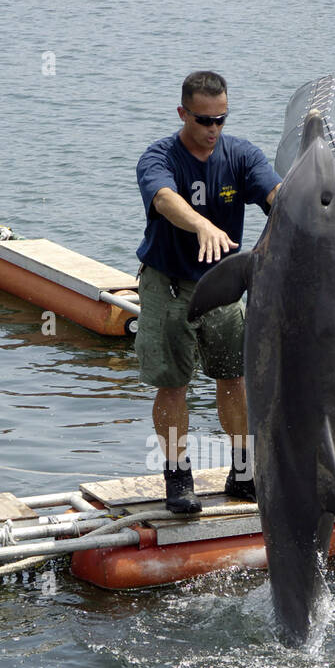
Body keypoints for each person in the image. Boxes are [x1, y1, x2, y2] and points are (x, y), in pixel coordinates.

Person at [135, 71, 281, 514]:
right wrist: (200, 224)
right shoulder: (159, 155)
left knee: (233, 378)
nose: (213, 129)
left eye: (221, 119)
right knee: (173, 384)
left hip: (222, 287)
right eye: (204, 120)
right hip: (170, 283)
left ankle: (243, 471)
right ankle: (178, 477)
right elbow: (163, 199)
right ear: (183, 113)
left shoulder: (240, 155)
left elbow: (276, 194)